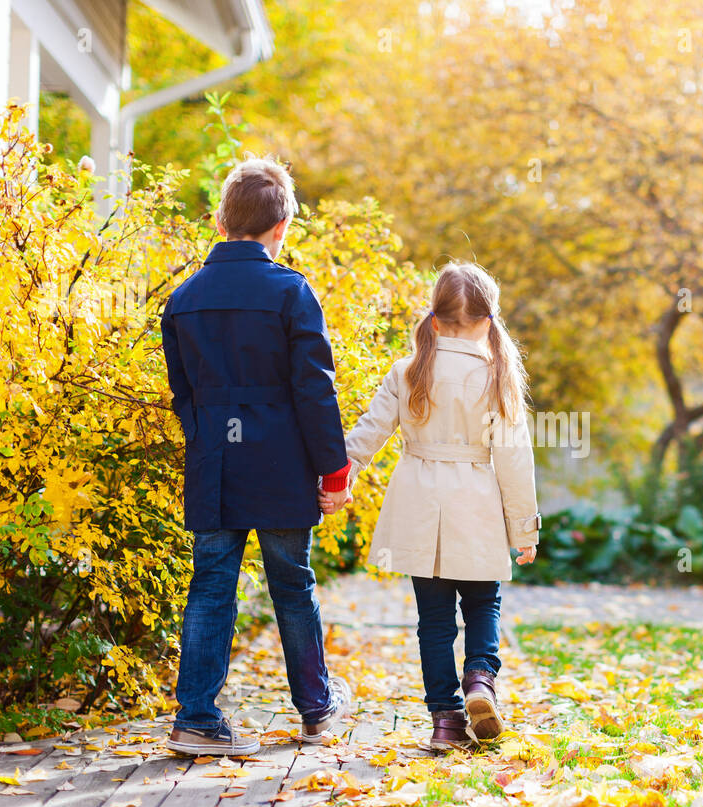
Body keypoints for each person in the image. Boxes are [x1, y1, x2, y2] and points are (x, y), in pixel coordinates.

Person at [160, 158, 353, 756]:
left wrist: (208, 438)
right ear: (282, 225)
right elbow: (313, 390)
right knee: (292, 585)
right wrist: (334, 470)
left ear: (222, 220)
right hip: (281, 465)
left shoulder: (184, 299)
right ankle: (316, 711)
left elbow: (183, 393)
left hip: (216, 463)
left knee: (211, 585)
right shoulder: (292, 293)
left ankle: (196, 717)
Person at [320, 261, 540, 750]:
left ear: (434, 320)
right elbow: (514, 461)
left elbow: (365, 436)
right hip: (478, 507)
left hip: (420, 510)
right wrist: (525, 531)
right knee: (484, 603)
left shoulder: (408, 371)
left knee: (434, 621)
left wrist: (339, 478)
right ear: (488, 320)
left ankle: (445, 721)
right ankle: (481, 680)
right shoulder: (497, 378)